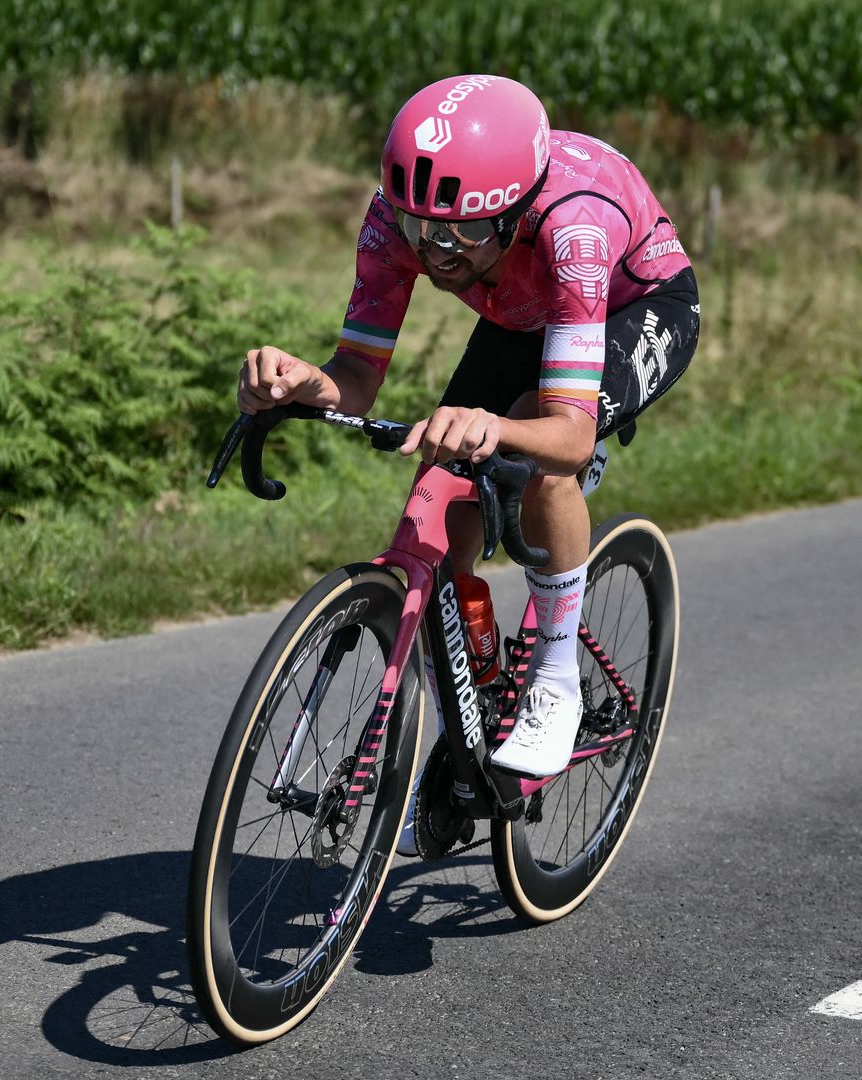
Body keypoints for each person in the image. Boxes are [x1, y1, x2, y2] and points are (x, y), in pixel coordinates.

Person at [236, 73, 699, 786]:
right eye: (424, 233)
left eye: (464, 234)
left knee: (538, 455)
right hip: (521, 308)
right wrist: (302, 380)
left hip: (631, 305)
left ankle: (554, 681)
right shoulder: (402, 216)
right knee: (440, 501)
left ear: (514, 212)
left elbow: (568, 436)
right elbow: (356, 378)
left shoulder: (572, 224)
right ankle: (474, 711)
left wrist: (496, 426)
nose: (439, 256)